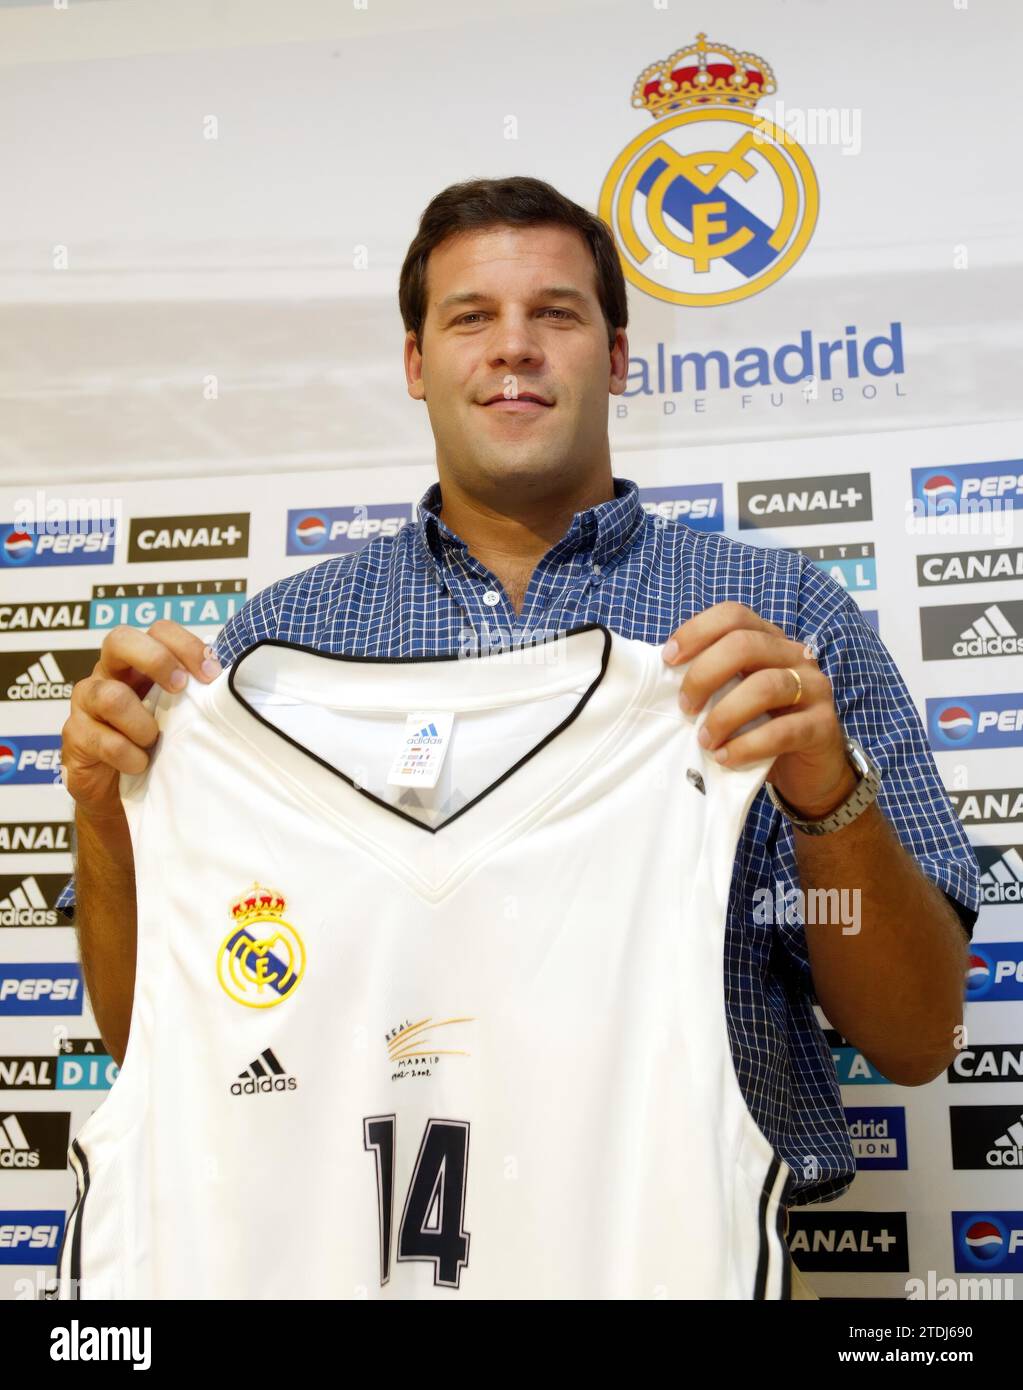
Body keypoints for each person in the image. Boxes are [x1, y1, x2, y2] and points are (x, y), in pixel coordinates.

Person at [57, 176, 979, 1299]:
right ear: (415, 363)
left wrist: (824, 793)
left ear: (618, 354)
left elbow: (919, 1038)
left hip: (677, 1257)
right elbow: (150, 1033)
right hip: (339, 1259)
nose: (514, 349)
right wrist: (110, 820)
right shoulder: (269, 655)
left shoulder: (780, 629)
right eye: (470, 317)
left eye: (556, 313)